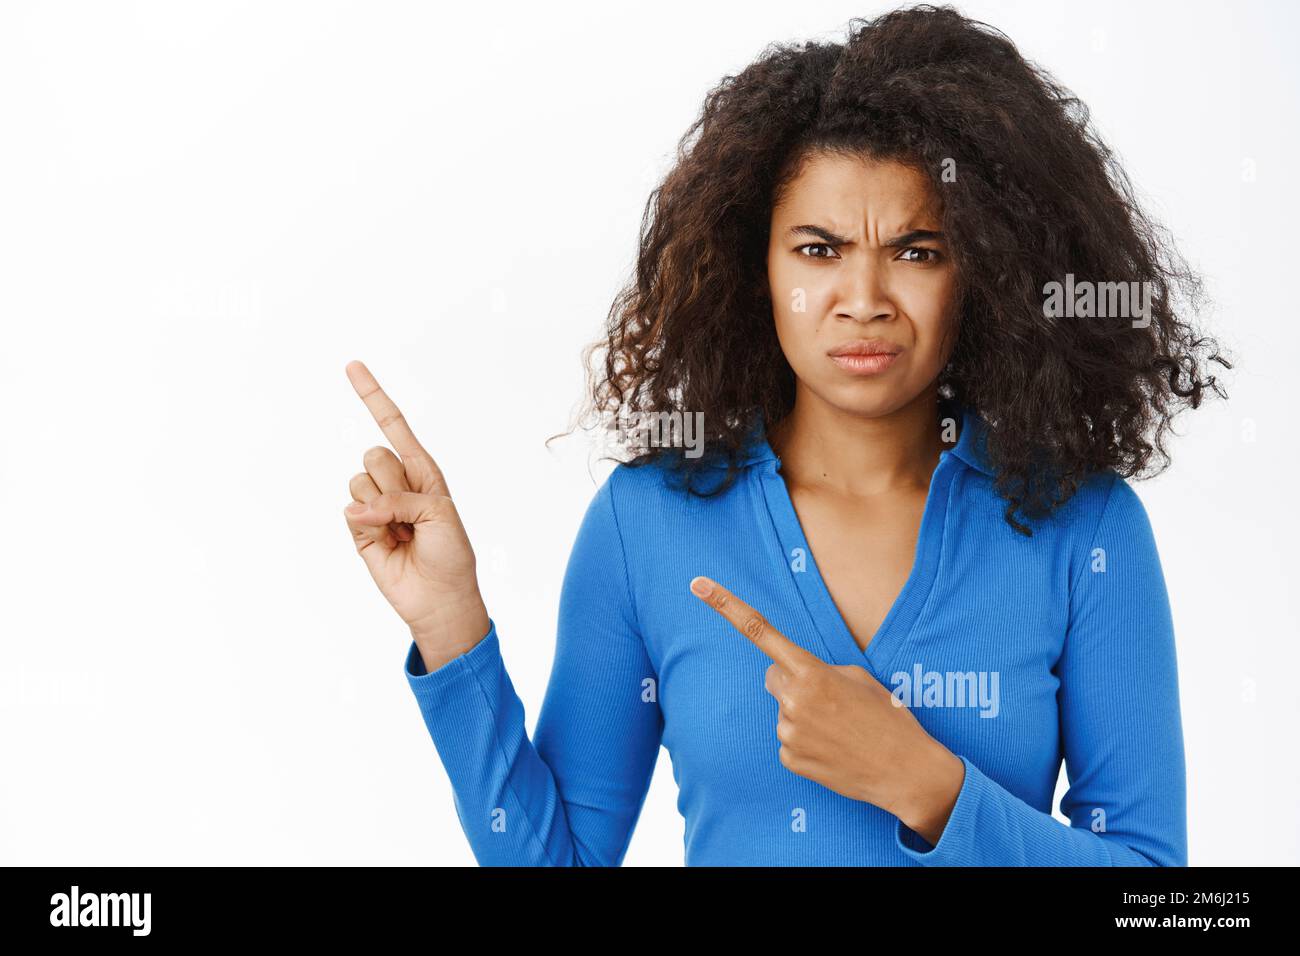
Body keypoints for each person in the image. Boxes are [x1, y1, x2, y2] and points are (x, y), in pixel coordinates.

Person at [341, 5, 1229, 865]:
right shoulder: (645, 522)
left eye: (918, 250)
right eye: (818, 249)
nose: (865, 297)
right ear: (750, 266)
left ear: (986, 272)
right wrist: (451, 627)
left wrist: (930, 789)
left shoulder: (1087, 528)